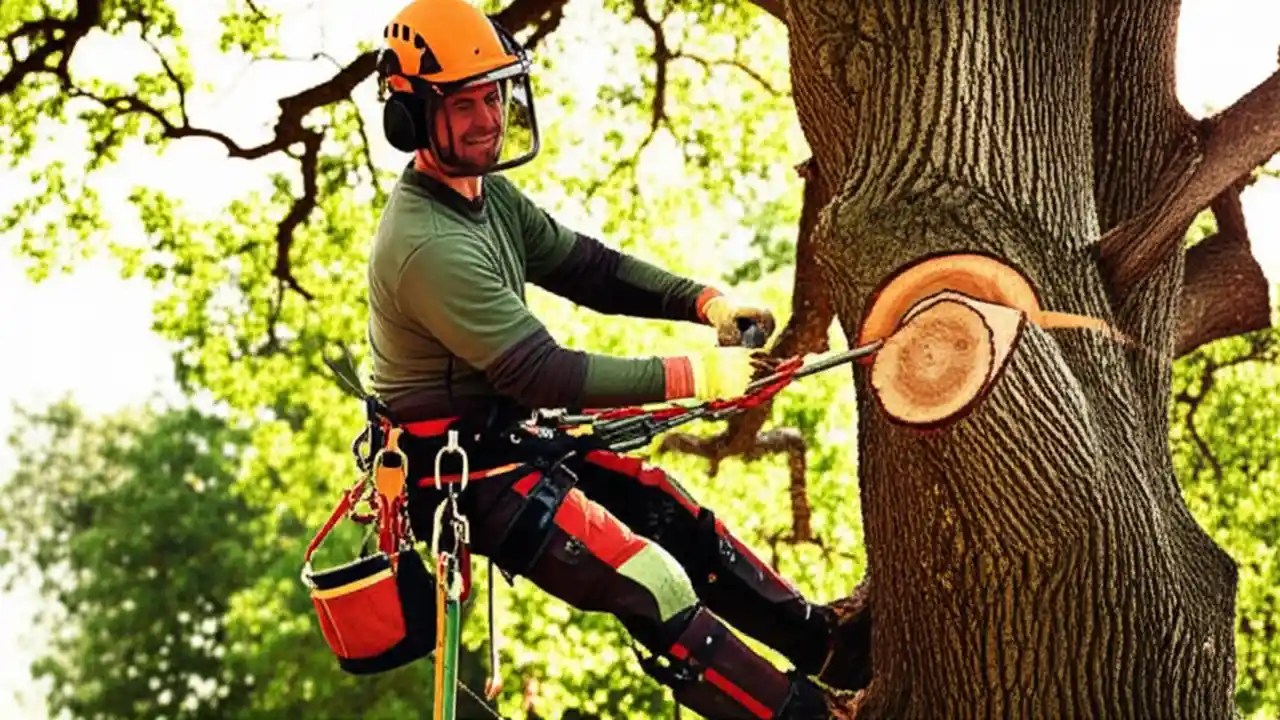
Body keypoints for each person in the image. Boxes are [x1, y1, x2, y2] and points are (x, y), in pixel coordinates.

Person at [366, 1, 863, 716]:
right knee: (652, 583)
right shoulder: (425, 245)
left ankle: (829, 646)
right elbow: (543, 374)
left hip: (509, 440)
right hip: (464, 477)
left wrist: (706, 303)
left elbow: (591, 271)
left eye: (496, 95)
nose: (488, 118)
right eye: (466, 104)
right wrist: (696, 375)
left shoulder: (490, 198)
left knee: (669, 512)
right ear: (410, 117)